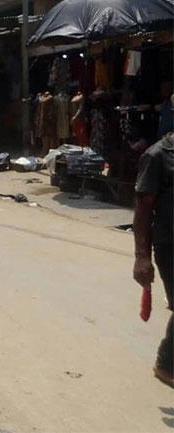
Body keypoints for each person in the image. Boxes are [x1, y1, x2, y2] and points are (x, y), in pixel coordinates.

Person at [133, 131, 173, 388]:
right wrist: (141, 257)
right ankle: (166, 364)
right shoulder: (157, 156)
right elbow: (143, 208)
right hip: (170, 244)